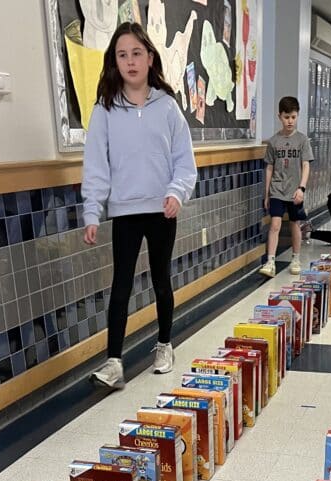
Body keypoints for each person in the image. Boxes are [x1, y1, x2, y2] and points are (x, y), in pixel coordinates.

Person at [82, 21, 197, 389]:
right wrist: (92, 211)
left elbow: (184, 161)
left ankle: (165, 345)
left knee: (162, 279)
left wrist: (177, 192)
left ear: (149, 57)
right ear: (114, 63)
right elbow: (97, 166)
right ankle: (114, 360)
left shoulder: (168, 107)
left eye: (136, 53)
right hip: (125, 211)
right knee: (122, 285)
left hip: (162, 208)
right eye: (122, 55)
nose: (130, 61)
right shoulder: (104, 111)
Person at [259, 96, 313, 278]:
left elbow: (306, 165)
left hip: (294, 191)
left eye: (293, 117)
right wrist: (267, 194)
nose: (290, 121)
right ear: (279, 116)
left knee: (295, 224)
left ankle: (296, 258)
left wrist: (302, 188)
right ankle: (271, 261)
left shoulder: (302, 140)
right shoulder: (274, 141)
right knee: (274, 224)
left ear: (297, 116)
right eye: (286, 117)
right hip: (276, 189)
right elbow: (269, 167)